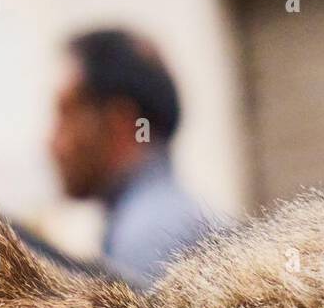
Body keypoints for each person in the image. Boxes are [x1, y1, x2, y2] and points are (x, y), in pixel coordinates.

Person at [49, 28, 209, 285]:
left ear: (119, 123)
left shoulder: (146, 238)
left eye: (66, 114)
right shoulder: (182, 216)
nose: (52, 143)